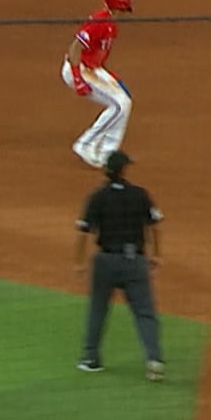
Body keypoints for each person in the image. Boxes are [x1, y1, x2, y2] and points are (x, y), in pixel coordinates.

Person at [74, 150, 166, 381]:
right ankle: (154, 359)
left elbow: (83, 231)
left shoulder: (98, 196)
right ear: (124, 170)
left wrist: (78, 263)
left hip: (105, 261)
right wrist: (156, 255)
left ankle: (91, 359)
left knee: (98, 310)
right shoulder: (139, 195)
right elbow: (154, 225)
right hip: (135, 262)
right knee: (144, 313)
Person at [62, 0, 138, 168]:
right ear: (121, 3)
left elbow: (97, 59)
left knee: (125, 102)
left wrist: (113, 79)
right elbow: (75, 49)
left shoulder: (111, 23)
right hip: (80, 69)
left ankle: (108, 152)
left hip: (93, 69)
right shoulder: (100, 21)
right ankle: (85, 144)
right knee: (119, 105)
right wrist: (78, 79)